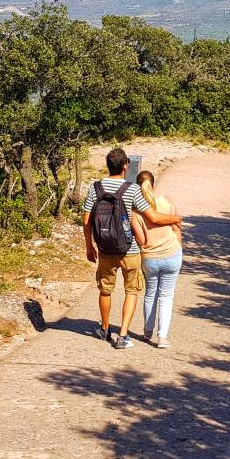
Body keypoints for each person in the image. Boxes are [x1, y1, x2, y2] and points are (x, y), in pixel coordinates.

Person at [82, 148, 181, 349]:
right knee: (131, 291)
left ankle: (104, 327)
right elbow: (152, 217)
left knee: (105, 290)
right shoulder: (132, 190)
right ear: (125, 166)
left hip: (105, 248)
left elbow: (86, 221)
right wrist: (175, 219)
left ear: (107, 165)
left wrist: (89, 246)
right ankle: (123, 336)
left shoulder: (95, 188)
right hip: (130, 250)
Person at [130, 171, 183, 348]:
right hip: (172, 253)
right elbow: (177, 228)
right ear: (153, 185)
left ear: (138, 187)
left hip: (150, 258)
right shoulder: (166, 202)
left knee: (150, 294)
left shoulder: (136, 212)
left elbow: (142, 240)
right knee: (166, 297)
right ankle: (162, 337)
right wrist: (178, 247)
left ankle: (147, 331)